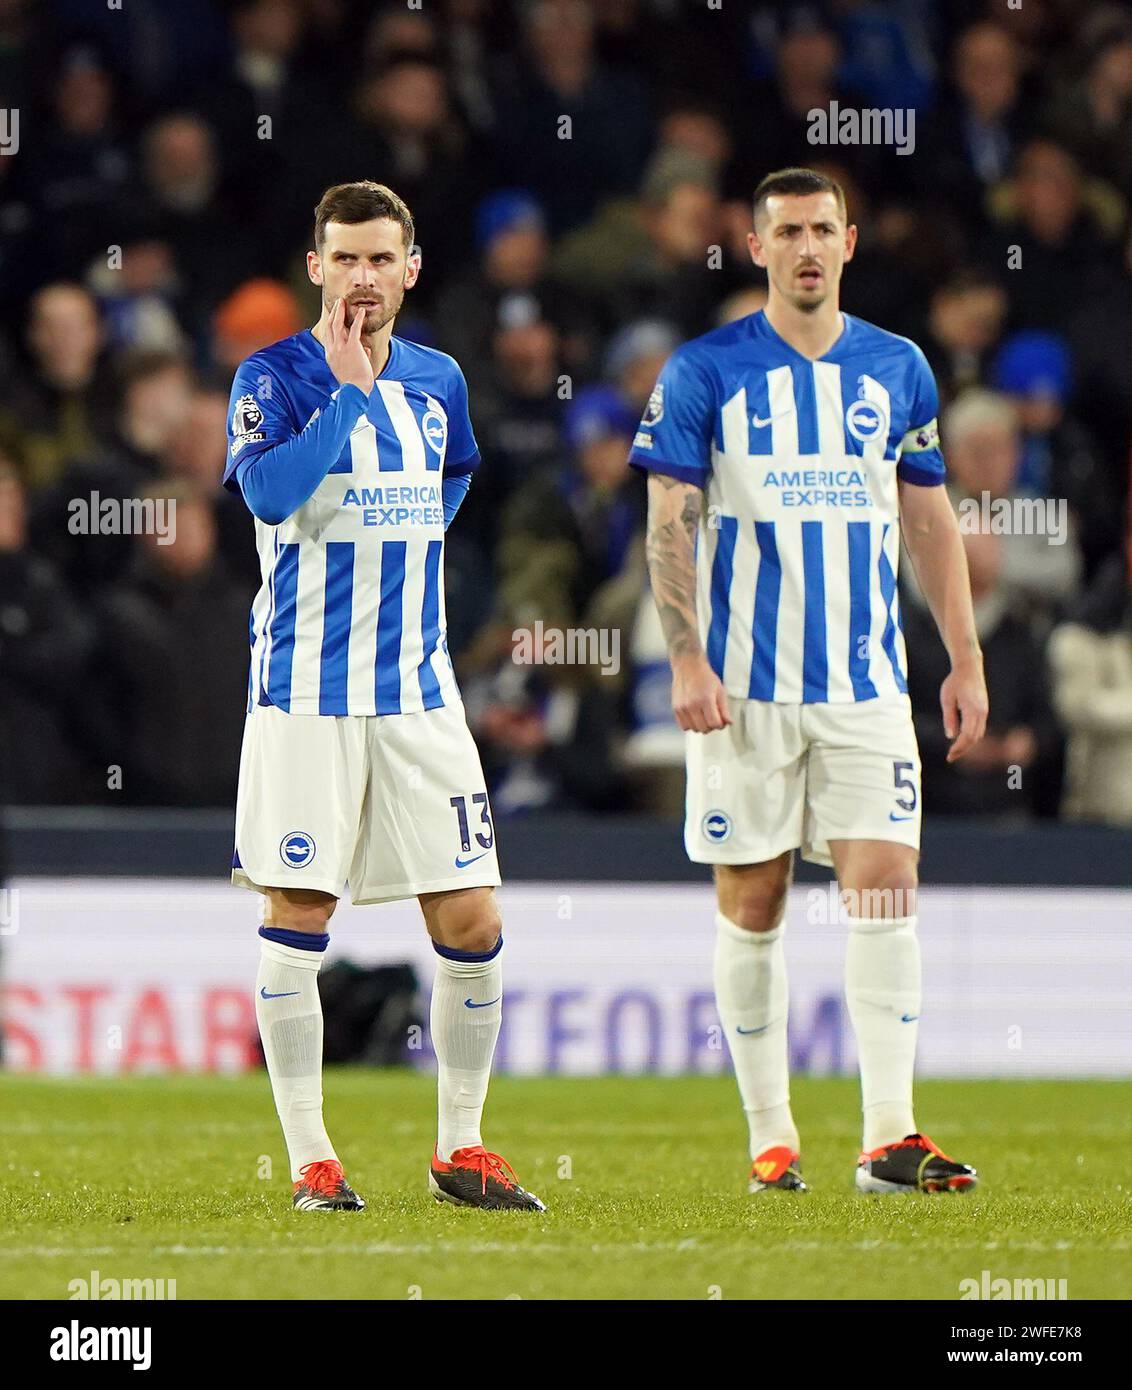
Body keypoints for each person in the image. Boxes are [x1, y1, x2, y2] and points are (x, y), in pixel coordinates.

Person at [631, 167, 987, 1197]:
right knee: (755, 898)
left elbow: (927, 515)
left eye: (821, 229)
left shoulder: (898, 368)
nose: (804, 247)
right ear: (755, 246)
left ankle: (888, 1136)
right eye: (785, 231)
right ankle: (771, 1134)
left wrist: (961, 656)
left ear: (849, 241)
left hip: (866, 685)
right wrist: (685, 655)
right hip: (743, 685)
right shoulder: (704, 370)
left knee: (885, 887)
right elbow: (669, 521)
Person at [224, 181, 543, 1214]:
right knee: (300, 911)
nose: (362, 277)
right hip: (305, 695)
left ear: (410, 269)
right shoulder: (272, 377)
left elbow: (454, 478)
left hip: (416, 693)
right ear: (315, 267)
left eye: (381, 259)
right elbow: (268, 493)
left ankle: (461, 1147)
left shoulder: (441, 378)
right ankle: (314, 1157)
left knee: (473, 913)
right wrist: (350, 398)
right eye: (344, 258)